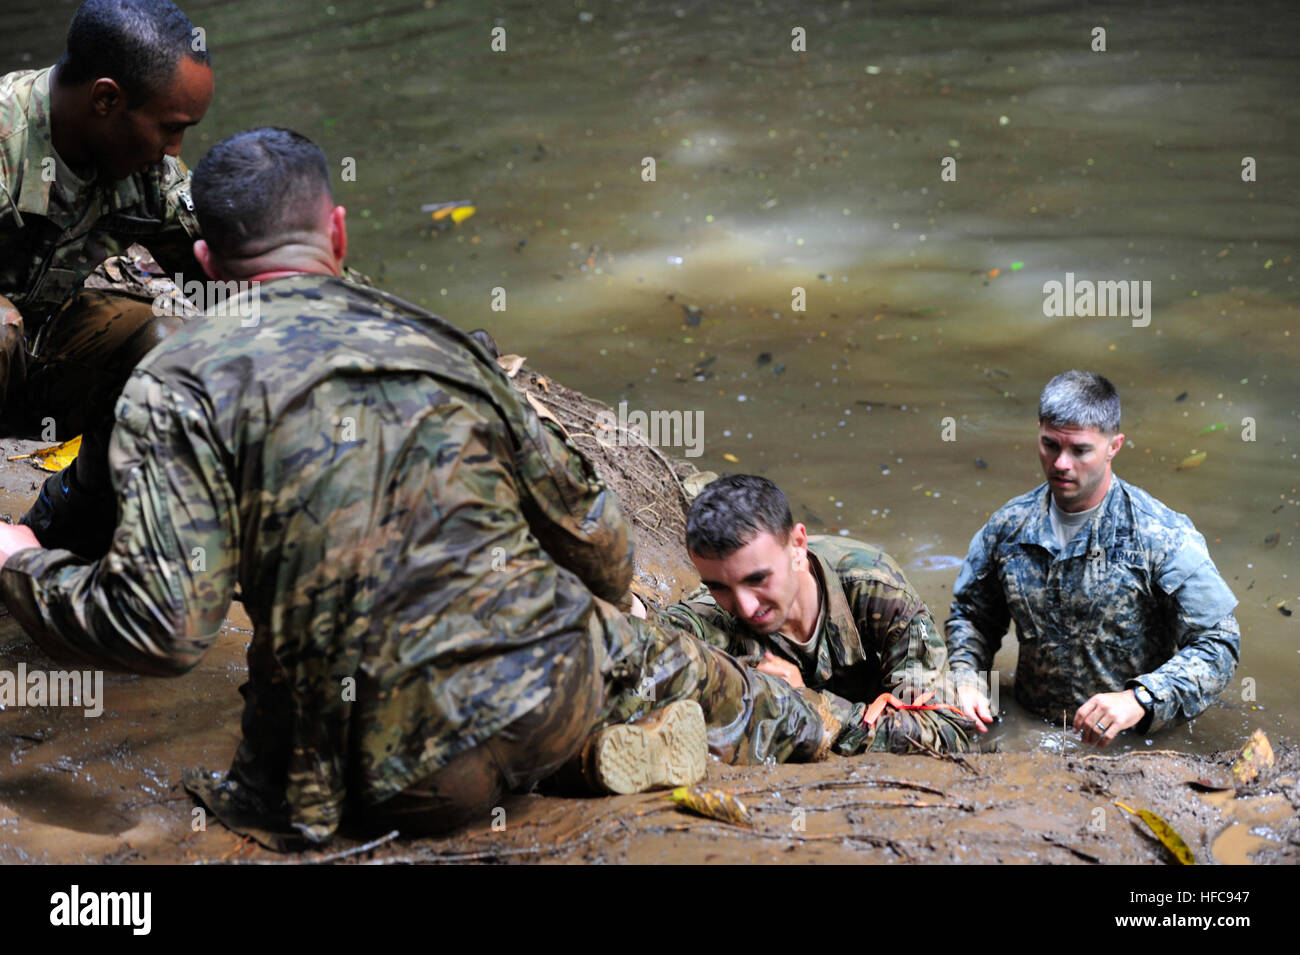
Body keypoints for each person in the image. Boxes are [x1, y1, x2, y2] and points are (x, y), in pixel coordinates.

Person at [0, 127, 840, 847]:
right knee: (673, 663)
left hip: (385, 778)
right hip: (548, 692)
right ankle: (815, 727)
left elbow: (163, 629)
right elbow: (601, 540)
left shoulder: (175, 383)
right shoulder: (444, 345)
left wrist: (19, 562)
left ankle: (588, 757)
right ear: (337, 230)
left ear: (212, 261)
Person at [0, 0, 213, 557]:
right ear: (106, 98)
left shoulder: (146, 174)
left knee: (168, 340)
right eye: (169, 129)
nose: (175, 150)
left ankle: (55, 538)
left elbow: (235, 266)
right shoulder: (5, 146)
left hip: (32, 366)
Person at [945, 370, 1240, 747]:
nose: (1061, 463)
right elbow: (972, 616)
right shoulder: (1009, 528)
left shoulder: (1159, 535)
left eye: (1080, 450)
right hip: (1031, 729)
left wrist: (1141, 699)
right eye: (1050, 445)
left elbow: (1219, 643)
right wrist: (968, 679)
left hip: (1132, 743)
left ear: (1114, 446)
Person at [663, 474, 975, 755]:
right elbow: (657, 637)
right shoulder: (714, 612)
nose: (745, 606)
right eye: (720, 587)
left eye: (757, 580)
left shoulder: (877, 590)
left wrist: (808, 703)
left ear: (797, 546)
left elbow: (948, 729)